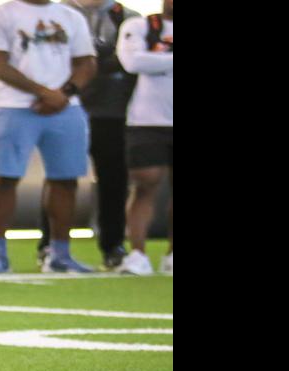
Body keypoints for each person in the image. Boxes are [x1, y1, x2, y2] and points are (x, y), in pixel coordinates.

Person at [0, 0, 96, 274]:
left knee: (66, 180)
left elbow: (86, 62)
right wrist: (43, 91)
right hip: (13, 106)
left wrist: (64, 93)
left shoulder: (70, 16)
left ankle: (60, 253)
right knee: (6, 178)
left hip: (66, 108)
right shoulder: (0, 15)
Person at [36, 0, 137, 271]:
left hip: (112, 113)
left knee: (114, 181)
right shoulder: (52, 14)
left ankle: (113, 246)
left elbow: (131, 65)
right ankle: (50, 246)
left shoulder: (127, 18)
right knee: (60, 178)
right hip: (65, 109)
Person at [116, 0, 171, 276]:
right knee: (145, 183)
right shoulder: (139, 26)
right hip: (147, 120)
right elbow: (133, 61)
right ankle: (137, 253)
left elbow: (149, 61)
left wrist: (159, 61)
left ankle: (171, 256)